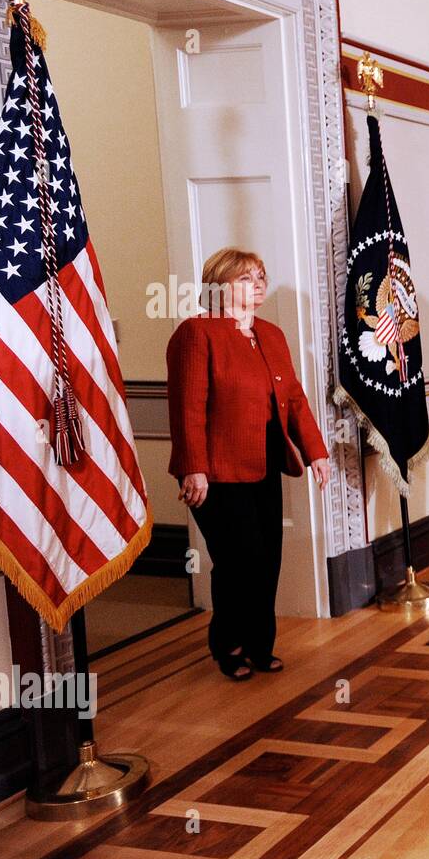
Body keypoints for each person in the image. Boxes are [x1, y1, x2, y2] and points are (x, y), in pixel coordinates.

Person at [167, 248, 332, 681]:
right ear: (220, 285)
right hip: (217, 474)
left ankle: (260, 645)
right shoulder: (196, 333)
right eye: (246, 278)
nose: (258, 284)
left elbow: (293, 398)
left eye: (261, 276)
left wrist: (315, 452)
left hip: (264, 466)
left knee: (267, 559)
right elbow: (188, 406)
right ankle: (229, 645)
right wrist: (193, 467)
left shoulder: (271, 335)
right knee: (239, 560)